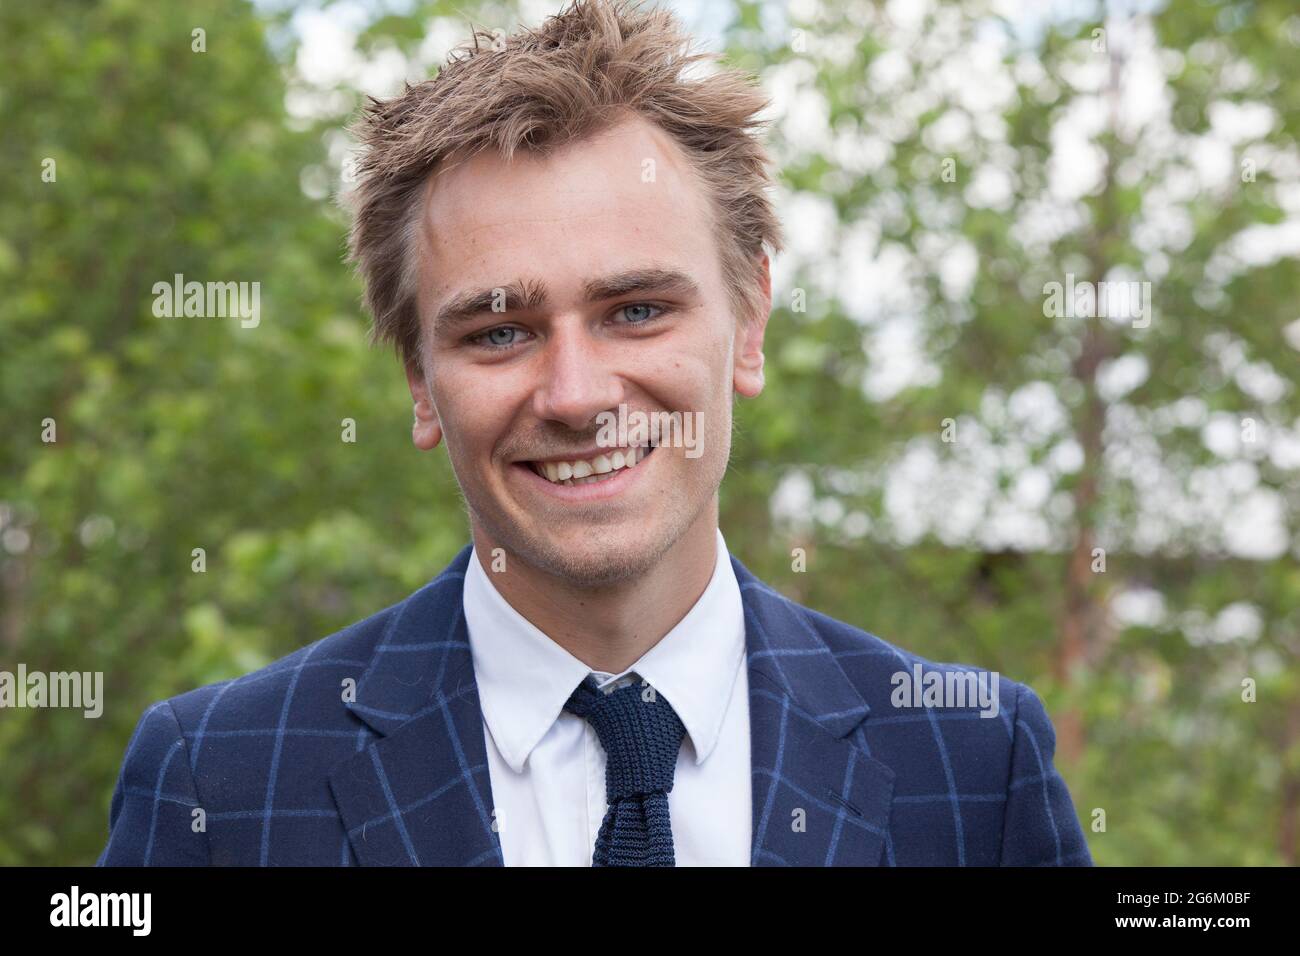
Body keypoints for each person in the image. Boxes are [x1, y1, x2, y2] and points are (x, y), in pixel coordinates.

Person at [98, 0, 1091, 867]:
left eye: (636, 310)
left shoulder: (971, 762)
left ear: (747, 324)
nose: (574, 393)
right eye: (498, 331)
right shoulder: (219, 780)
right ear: (417, 380)